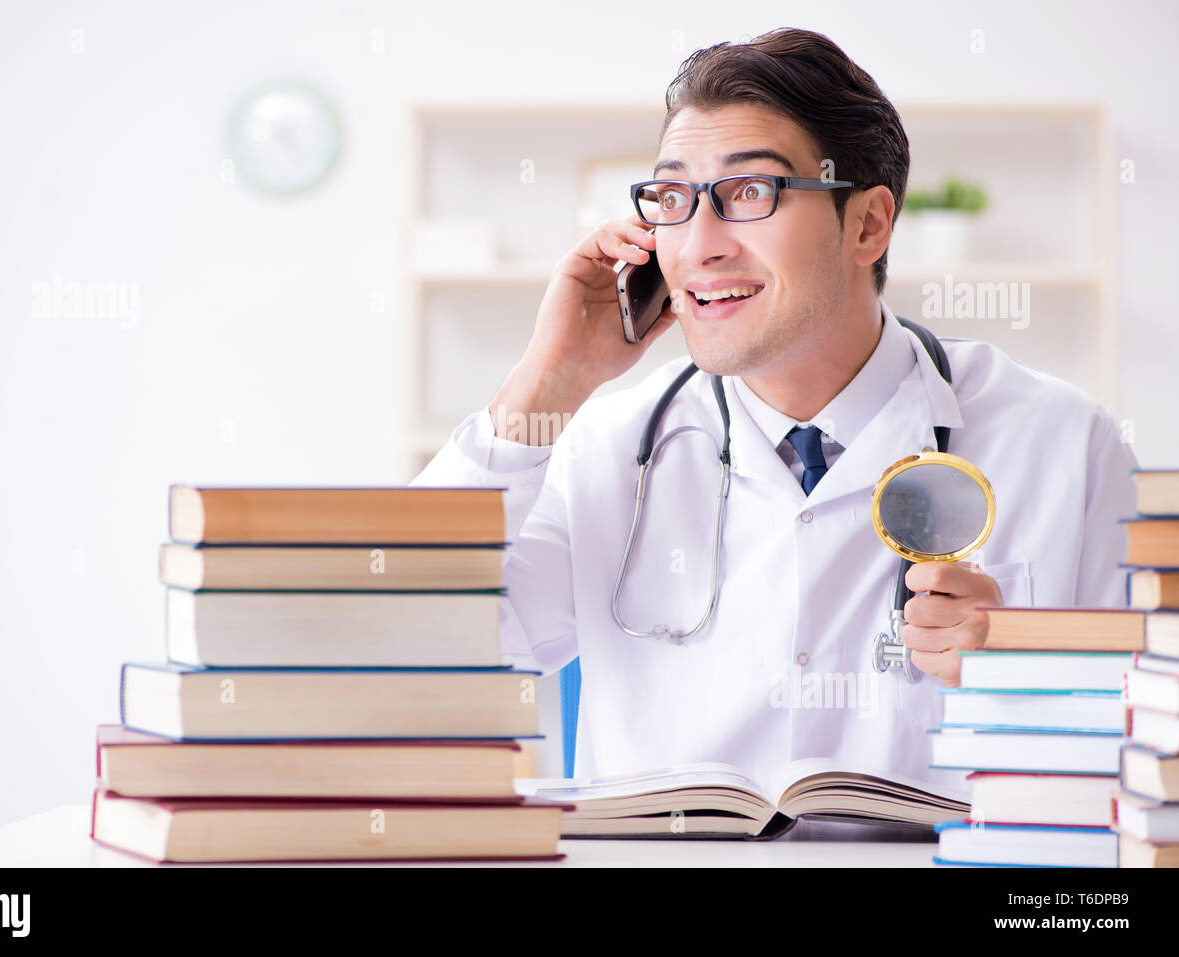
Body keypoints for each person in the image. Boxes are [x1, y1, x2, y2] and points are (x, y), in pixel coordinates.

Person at [410, 28, 1138, 791]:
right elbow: (410, 653)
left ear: (868, 224)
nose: (698, 246)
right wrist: (545, 384)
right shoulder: (605, 446)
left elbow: (1152, 762)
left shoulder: (1065, 444)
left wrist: (1033, 682)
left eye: (748, 193)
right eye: (672, 198)